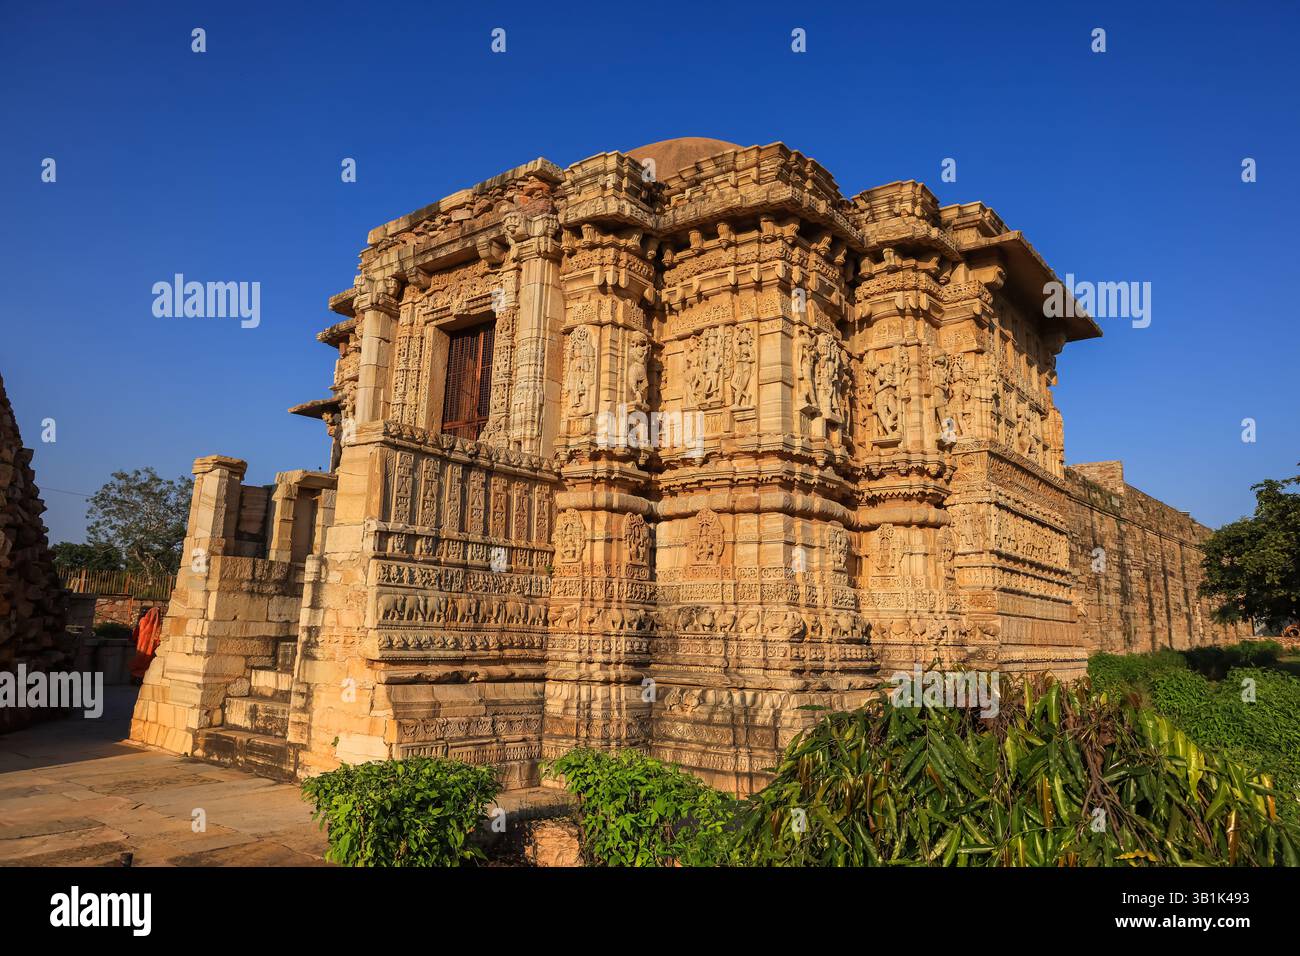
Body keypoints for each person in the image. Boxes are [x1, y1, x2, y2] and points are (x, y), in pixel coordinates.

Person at [128, 606, 162, 683]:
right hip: (148, 647)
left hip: (141, 646)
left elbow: (136, 632)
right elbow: (157, 638)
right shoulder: (156, 625)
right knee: (145, 662)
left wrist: (133, 639)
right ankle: (138, 680)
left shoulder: (143, 621)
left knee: (139, 661)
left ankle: (134, 679)